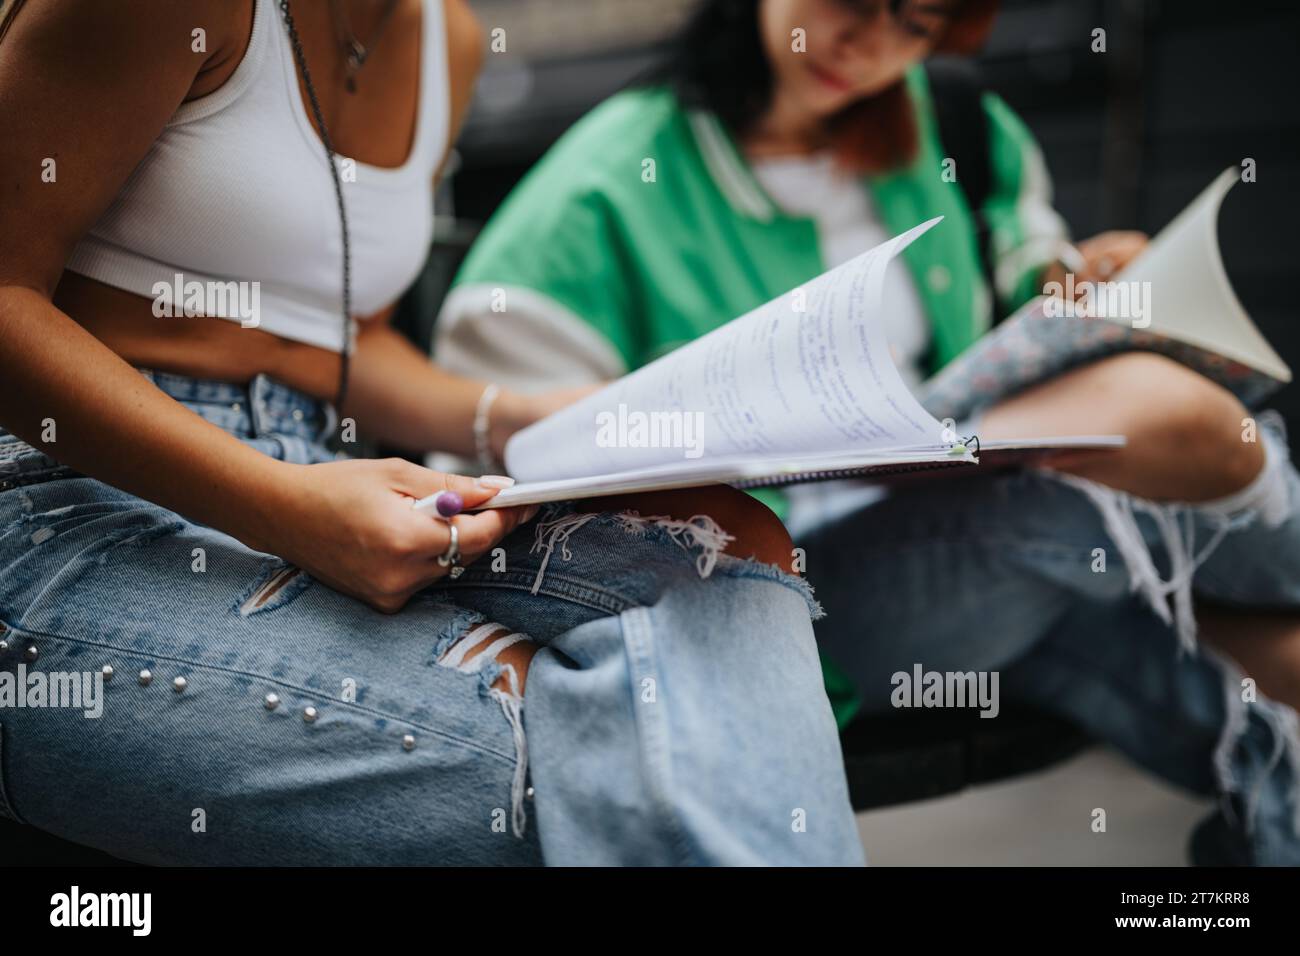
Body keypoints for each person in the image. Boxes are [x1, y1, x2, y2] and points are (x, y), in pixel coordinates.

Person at [0, 0, 866, 866]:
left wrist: (523, 416)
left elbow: (342, 337)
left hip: (313, 463)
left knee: (731, 551)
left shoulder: (443, 40)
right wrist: (281, 506)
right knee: (619, 764)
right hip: (64, 501)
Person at [435, 0, 1300, 864]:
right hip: (785, 591)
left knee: (1271, 693)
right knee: (1151, 445)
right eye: (850, 1)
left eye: (917, 22)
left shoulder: (955, 124)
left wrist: (1077, 285)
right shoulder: (601, 190)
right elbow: (506, 472)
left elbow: (1023, 277)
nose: (869, 43)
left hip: (989, 545)